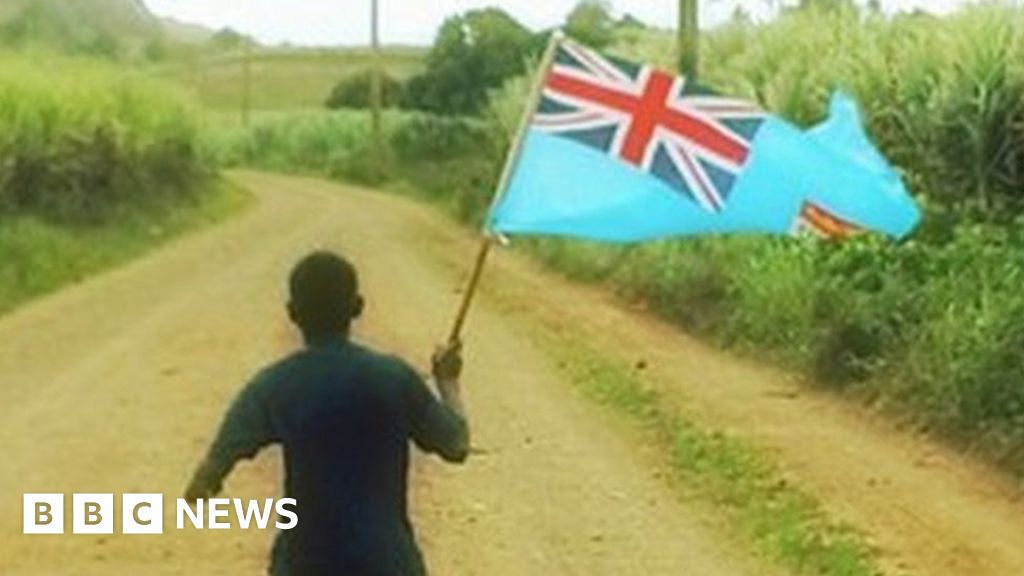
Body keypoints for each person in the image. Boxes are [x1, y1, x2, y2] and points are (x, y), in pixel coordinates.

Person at [184, 250, 470, 576]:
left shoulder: (274, 385)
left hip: (305, 562)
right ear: (357, 307)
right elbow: (456, 444)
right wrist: (448, 382)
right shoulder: (394, 378)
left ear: (293, 313)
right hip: (387, 563)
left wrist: (206, 485)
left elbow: (210, 471)